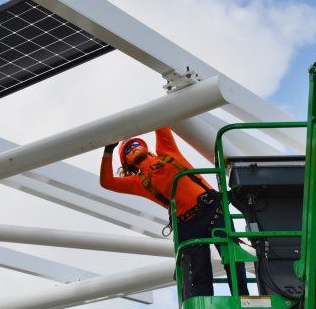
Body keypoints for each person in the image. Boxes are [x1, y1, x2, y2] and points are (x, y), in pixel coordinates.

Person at [99, 127, 249, 299]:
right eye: (127, 150)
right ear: (127, 162)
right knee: (199, 271)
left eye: (135, 144)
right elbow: (107, 182)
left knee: (231, 254)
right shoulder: (139, 182)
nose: (133, 148)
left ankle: (243, 300)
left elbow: (161, 123)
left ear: (146, 147)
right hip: (187, 224)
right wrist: (108, 151)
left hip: (211, 210)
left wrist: (140, 120)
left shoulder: (168, 152)